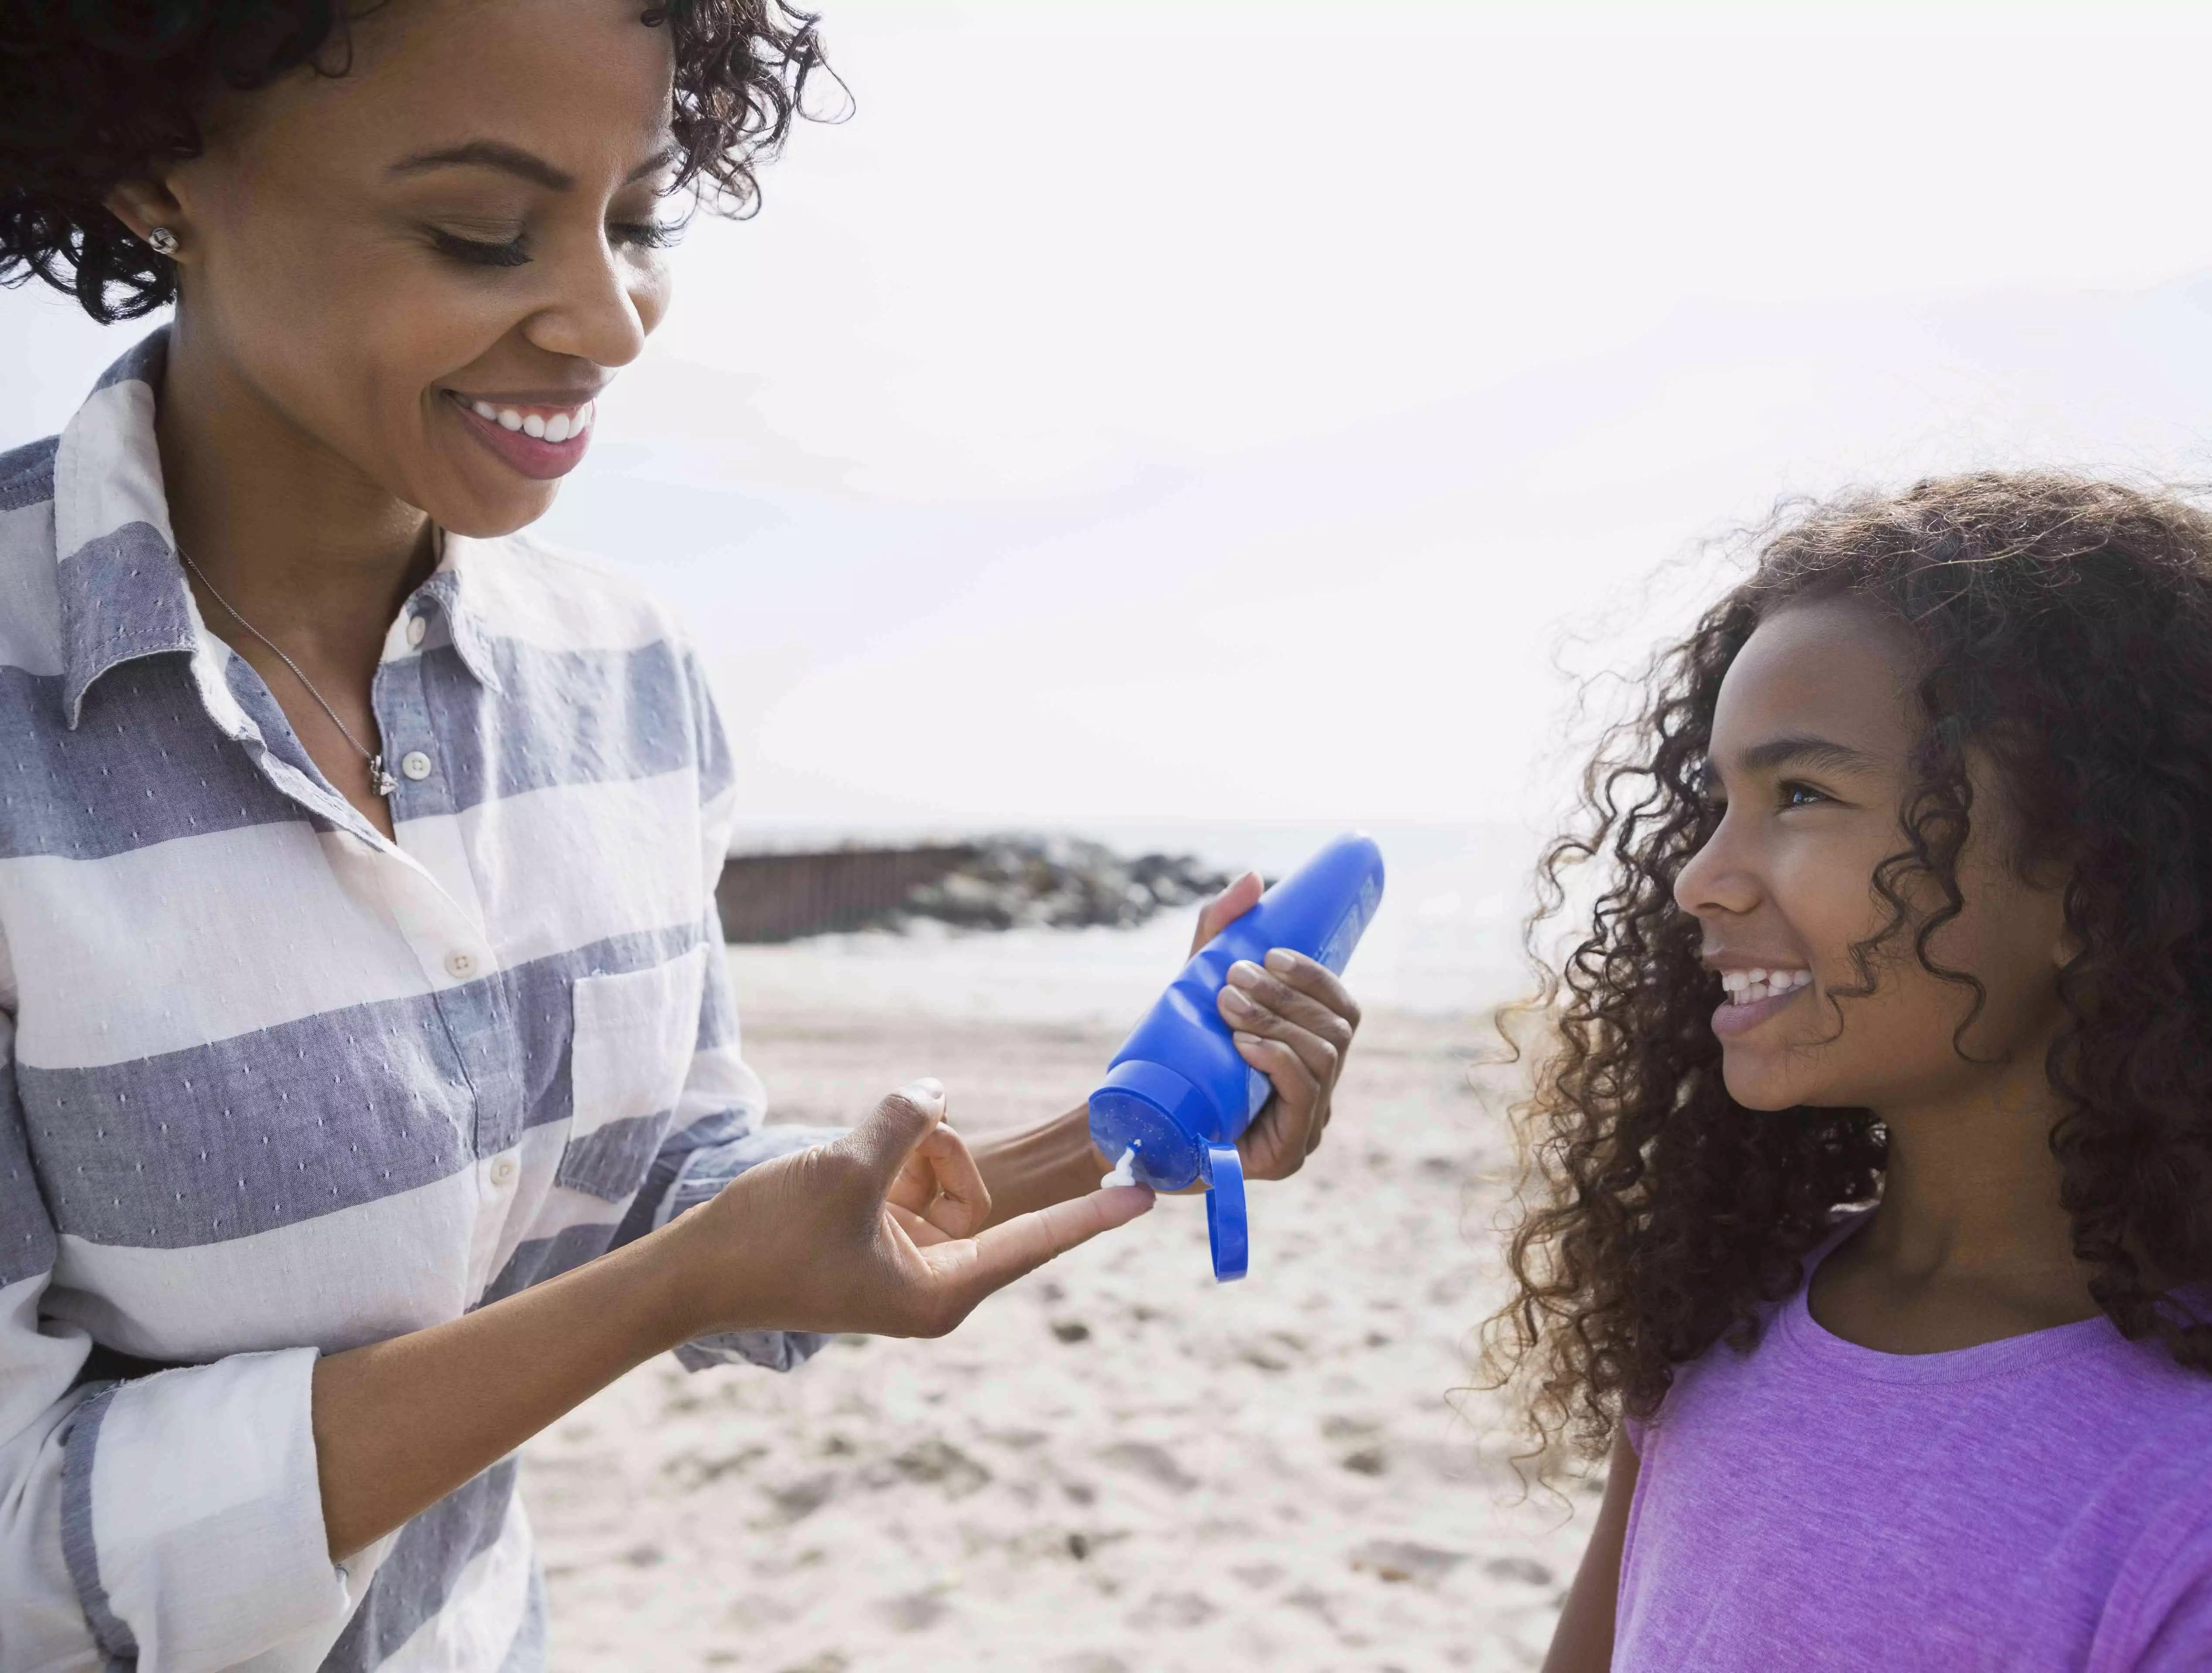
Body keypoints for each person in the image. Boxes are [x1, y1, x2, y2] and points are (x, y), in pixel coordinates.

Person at [0, 3, 1363, 1668]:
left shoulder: (627, 676)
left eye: (637, 219)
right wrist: (668, 1295)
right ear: (158, 175)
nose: (609, 320)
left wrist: (1127, 1118)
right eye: (480, 231)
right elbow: (20, 1555)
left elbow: (695, 1205)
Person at [1496, 473, 2212, 1669]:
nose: (1698, 878)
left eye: (1803, 794)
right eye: (1719, 803)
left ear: (2099, 877)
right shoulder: (1723, 1325)